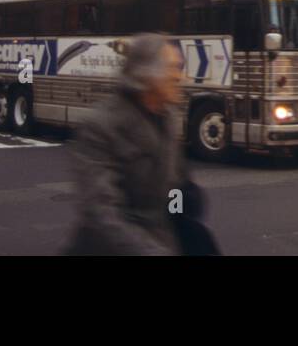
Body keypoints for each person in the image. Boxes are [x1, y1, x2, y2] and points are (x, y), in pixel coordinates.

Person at [65, 34, 217, 256]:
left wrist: (181, 214)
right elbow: (101, 213)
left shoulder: (167, 117)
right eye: (172, 68)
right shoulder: (101, 126)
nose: (180, 76)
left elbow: (175, 186)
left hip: (162, 241)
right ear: (148, 76)